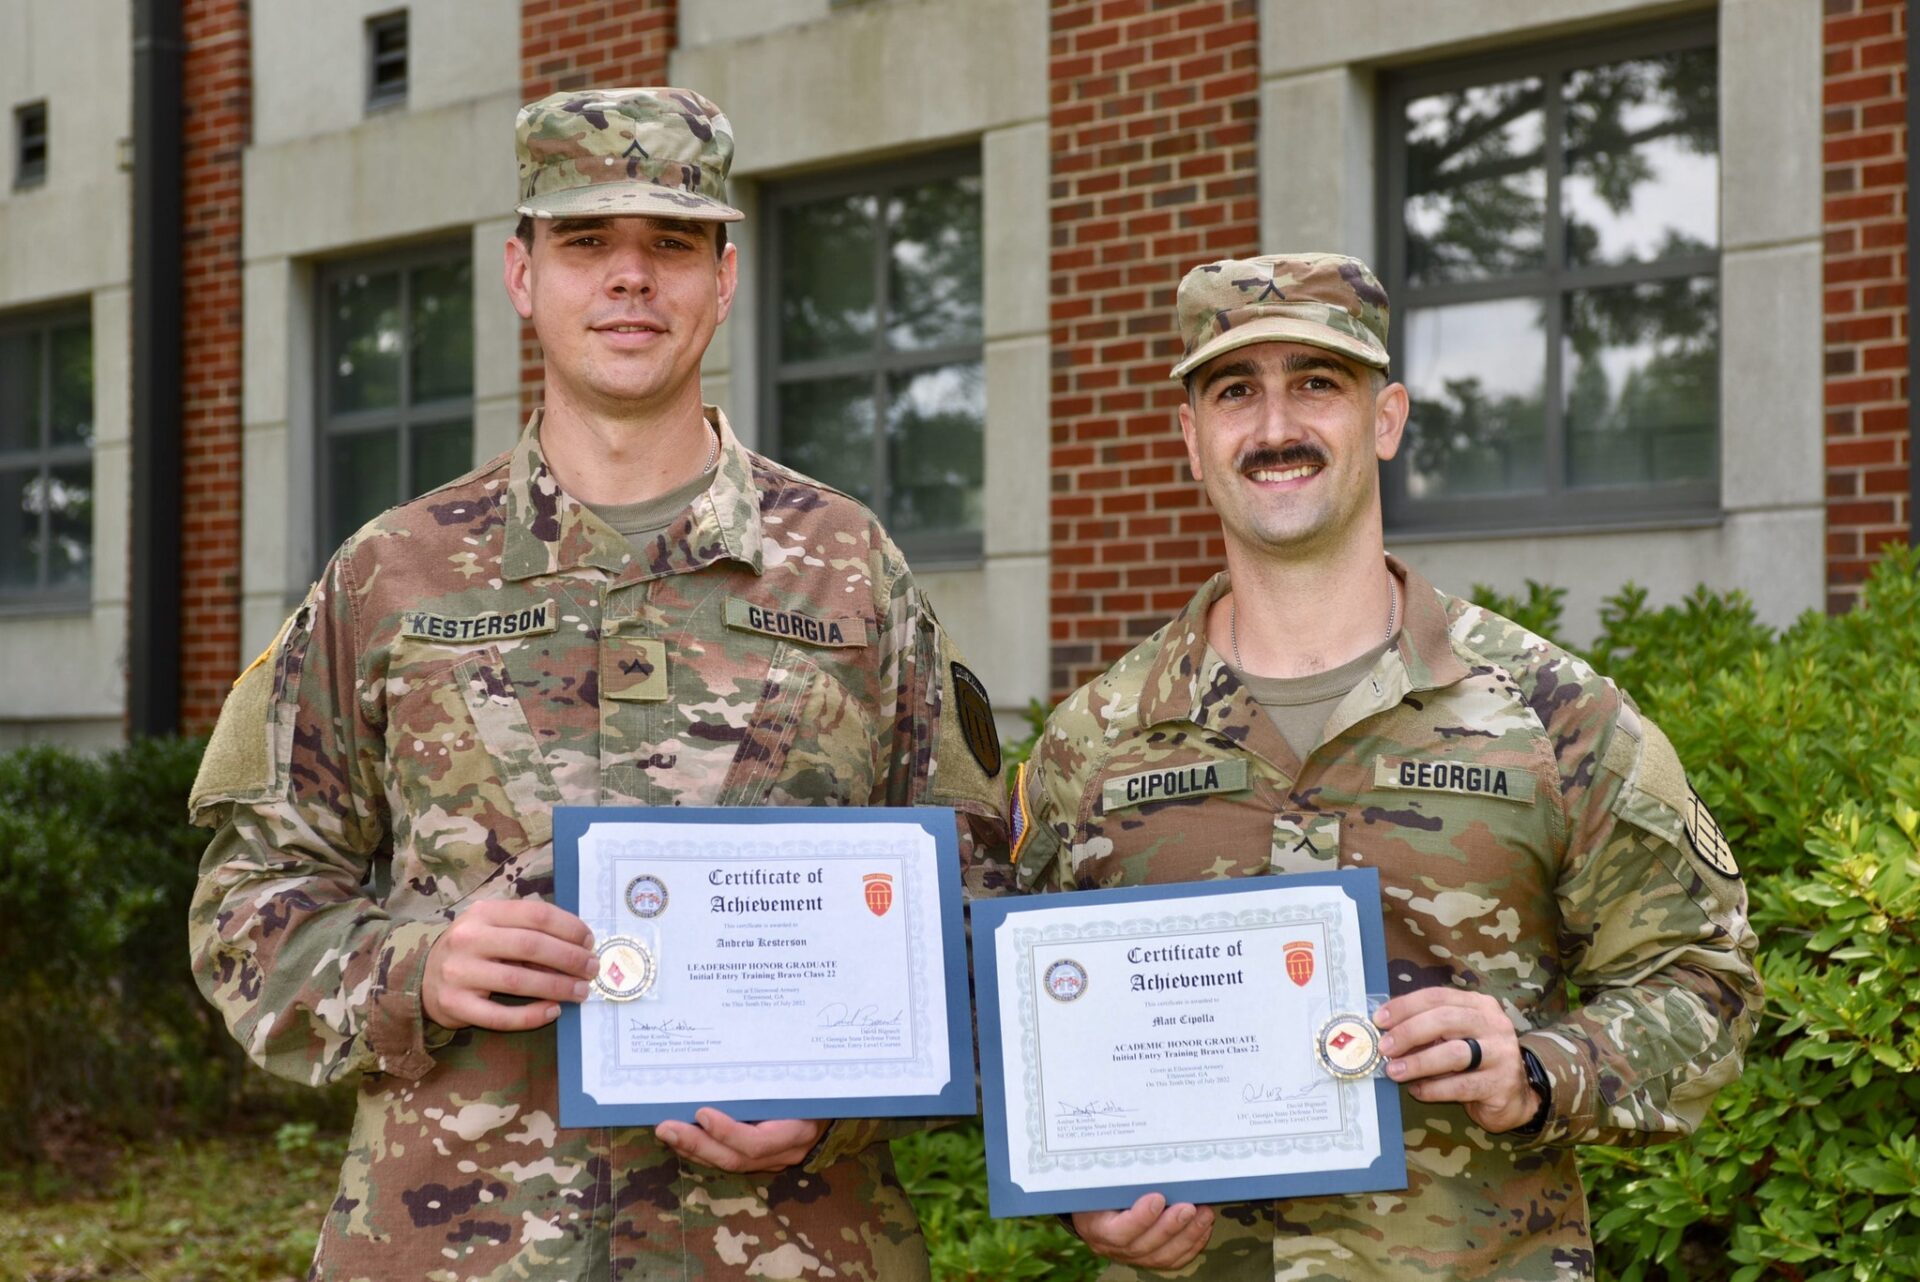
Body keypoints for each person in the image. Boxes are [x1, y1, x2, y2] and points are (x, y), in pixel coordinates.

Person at [187, 86, 1009, 1280]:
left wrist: (842, 1100)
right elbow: (246, 907)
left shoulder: (850, 569)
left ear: (723, 279)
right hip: (458, 1248)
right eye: (586, 241)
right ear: (523, 274)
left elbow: (973, 904)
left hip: (789, 1246)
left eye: (671, 242)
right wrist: (418, 969)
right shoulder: (388, 573)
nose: (630, 277)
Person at [1007, 252, 1761, 1280]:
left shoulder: (1553, 714)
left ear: (1388, 419)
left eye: (1317, 382)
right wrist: (1080, 1196)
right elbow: (1025, 1028)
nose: (1276, 426)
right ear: (1191, 438)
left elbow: (1707, 981)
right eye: (1235, 392)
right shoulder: (1094, 742)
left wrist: (1540, 1068)